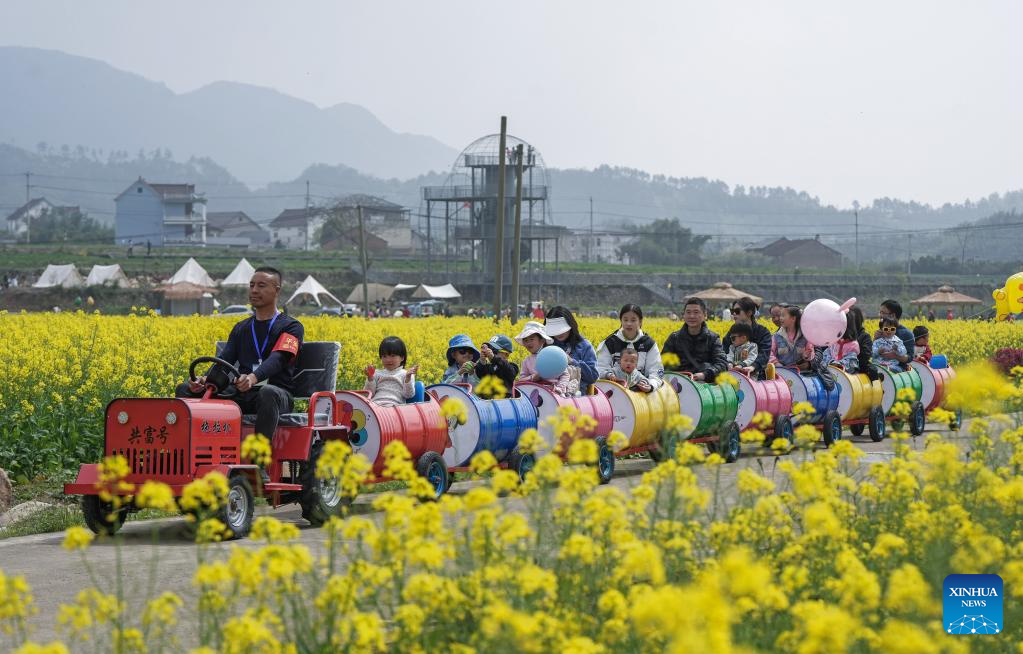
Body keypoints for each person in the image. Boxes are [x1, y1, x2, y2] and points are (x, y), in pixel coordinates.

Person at [175, 267, 303, 442]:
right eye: (251, 285)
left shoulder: (292, 327)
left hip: (277, 395)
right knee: (184, 389)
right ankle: (192, 449)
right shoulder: (241, 328)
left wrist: (253, 377)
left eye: (261, 286)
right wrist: (205, 380)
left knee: (268, 392)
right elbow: (224, 359)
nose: (254, 290)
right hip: (243, 392)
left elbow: (279, 358)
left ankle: (259, 455)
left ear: (277, 290)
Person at [595, 303, 664, 392]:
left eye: (633, 320)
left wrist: (650, 385)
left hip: (642, 394)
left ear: (640, 321)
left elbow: (656, 371)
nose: (629, 323)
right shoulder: (610, 342)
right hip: (614, 391)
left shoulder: (649, 344)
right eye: (625, 320)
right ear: (621, 321)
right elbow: (601, 368)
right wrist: (610, 377)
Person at [661, 297, 728, 382]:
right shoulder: (674, 338)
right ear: (684, 315)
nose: (691, 316)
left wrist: (705, 375)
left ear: (705, 315)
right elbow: (663, 363)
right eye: (688, 312)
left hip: (703, 384)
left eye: (696, 312)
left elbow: (722, 364)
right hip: (678, 383)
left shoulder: (713, 338)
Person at [544, 306, 598, 394]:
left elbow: (593, 376)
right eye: (555, 330)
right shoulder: (547, 345)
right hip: (549, 394)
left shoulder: (584, 346)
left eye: (561, 329)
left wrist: (572, 361)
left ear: (570, 325)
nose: (559, 333)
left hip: (575, 398)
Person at [516, 321, 570, 396]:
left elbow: (565, 374)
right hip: (535, 392)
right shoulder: (526, 361)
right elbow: (522, 380)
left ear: (542, 340)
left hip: (554, 391)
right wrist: (533, 377)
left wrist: (560, 388)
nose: (528, 343)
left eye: (531, 339)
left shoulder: (552, 355)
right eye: (525, 340)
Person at [364, 336, 418, 406]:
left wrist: (408, 379)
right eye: (384, 356)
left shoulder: (406, 374)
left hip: (395, 406)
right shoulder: (377, 373)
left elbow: (408, 395)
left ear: (402, 357)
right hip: (375, 405)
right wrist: (370, 378)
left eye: (392, 356)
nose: (388, 360)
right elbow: (368, 394)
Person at [728, 296, 773, 379]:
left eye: (737, 311)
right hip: (732, 374)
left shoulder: (762, 332)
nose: (734, 314)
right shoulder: (732, 331)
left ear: (749, 313)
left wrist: (753, 366)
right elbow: (724, 351)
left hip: (756, 375)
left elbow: (764, 355)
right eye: (732, 311)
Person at [770, 305, 810, 370]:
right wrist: (776, 363)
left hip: (802, 373)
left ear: (793, 318)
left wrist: (807, 356)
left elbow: (810, 350)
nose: (780, 318)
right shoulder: (776, 336)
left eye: (783, 316)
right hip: (782, 373)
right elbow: (770, 353)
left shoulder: (805, 336)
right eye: (780, 315)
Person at [877, 299, 913, 369]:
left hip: (898, 370)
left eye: (883, 313)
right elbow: (874, 353)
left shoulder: (906, 333)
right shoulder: (881, 331)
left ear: (892, 315)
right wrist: (875, 339)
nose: (880, 315)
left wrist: (895, 356)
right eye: (880, 312)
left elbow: (909, 358)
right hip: (881, 367)